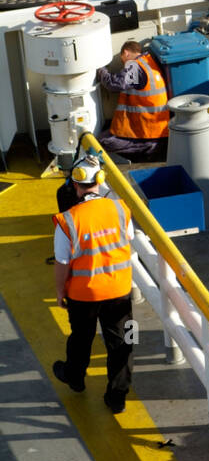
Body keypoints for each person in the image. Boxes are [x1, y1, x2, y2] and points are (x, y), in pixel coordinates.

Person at [52, 153, 135, 413]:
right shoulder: (121, 209)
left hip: (82, 295)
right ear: (100, 181)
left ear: (75, 185)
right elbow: (128, 239)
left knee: (80, 338)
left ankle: (75, 378)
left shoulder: (66, 221)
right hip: (121, 293)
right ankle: (117, 397)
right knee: (125, 342)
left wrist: (59, 291)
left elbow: (62, 262)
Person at [97, 39, 169, 160]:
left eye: (122, 60)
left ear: (126, 53)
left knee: (100, 142)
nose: (123, 66)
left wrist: (100, 69)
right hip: (157, 130)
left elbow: (113, 84)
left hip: (147, 135)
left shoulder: (136, 66)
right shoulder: (149, 62)